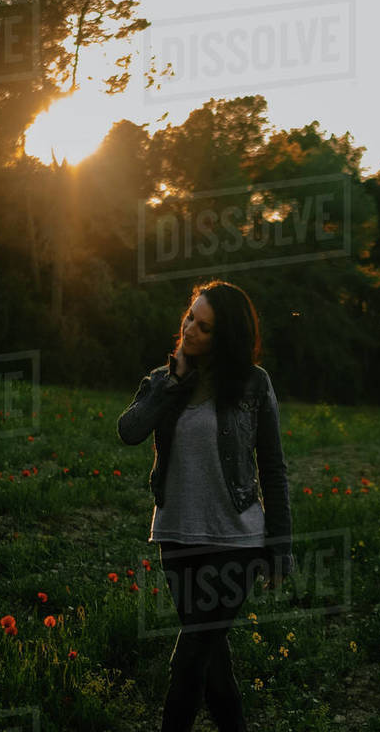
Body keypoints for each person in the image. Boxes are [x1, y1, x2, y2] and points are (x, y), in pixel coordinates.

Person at [117, 280, 295, 732]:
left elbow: (273, 469)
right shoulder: (164, 380)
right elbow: (129, 430)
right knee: (213, 665)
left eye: (205, 327)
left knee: (188, 660)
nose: (190, 330)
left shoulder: (254, 384)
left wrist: (280, 546)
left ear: (228, 336)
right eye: (189, 319)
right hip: (176, 536)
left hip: (236, 542)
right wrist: (171, 386)